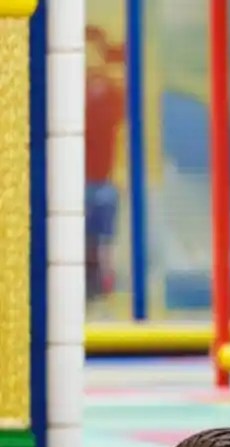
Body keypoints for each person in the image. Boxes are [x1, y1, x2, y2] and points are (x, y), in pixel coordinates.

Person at [85, 26, 126, 302]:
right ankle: (94, 276)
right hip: (83, 179)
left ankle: (101, 278)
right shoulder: (74, 94)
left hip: (103, 179)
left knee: (104, 234)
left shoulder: (111, 94)